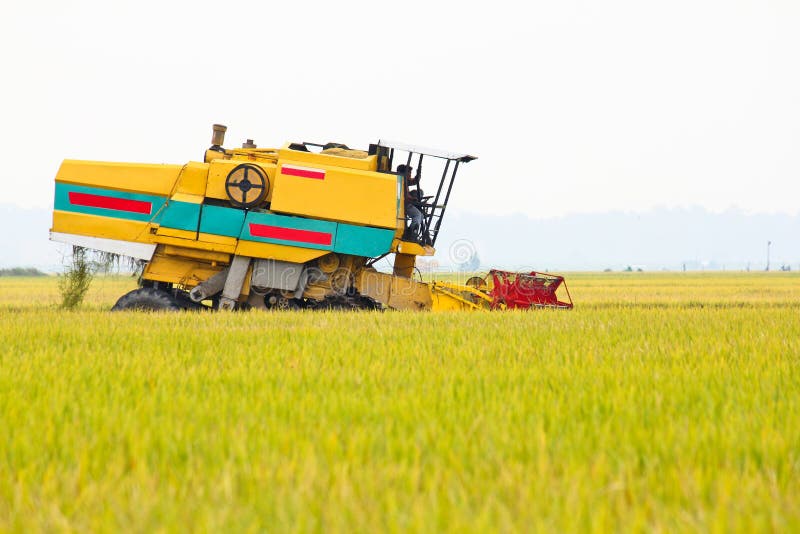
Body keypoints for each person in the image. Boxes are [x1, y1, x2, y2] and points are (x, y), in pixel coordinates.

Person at [398, 164, 424, 242]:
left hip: (405, 203)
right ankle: (411, 234)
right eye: (409, 172)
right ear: (404, 173)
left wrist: (418, 174)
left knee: (421, 216)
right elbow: (405, 196)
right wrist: (414, 199)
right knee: (417, 215)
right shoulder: (401, 181)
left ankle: (409, 230)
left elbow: (415, 181)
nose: (410, 174)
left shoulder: (403, 179)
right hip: (403, 204)